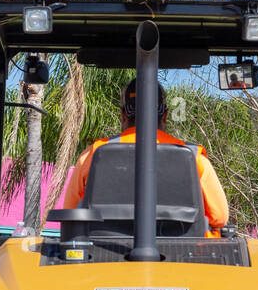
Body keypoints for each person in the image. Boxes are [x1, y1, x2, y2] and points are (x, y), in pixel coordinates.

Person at [61, 77, 229, 232]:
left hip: (102, 253)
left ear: (122, 115)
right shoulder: (194, 157)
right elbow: (219, 217)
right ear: (165, 116)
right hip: (184, 255)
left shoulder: (94, 153)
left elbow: (70, 211)